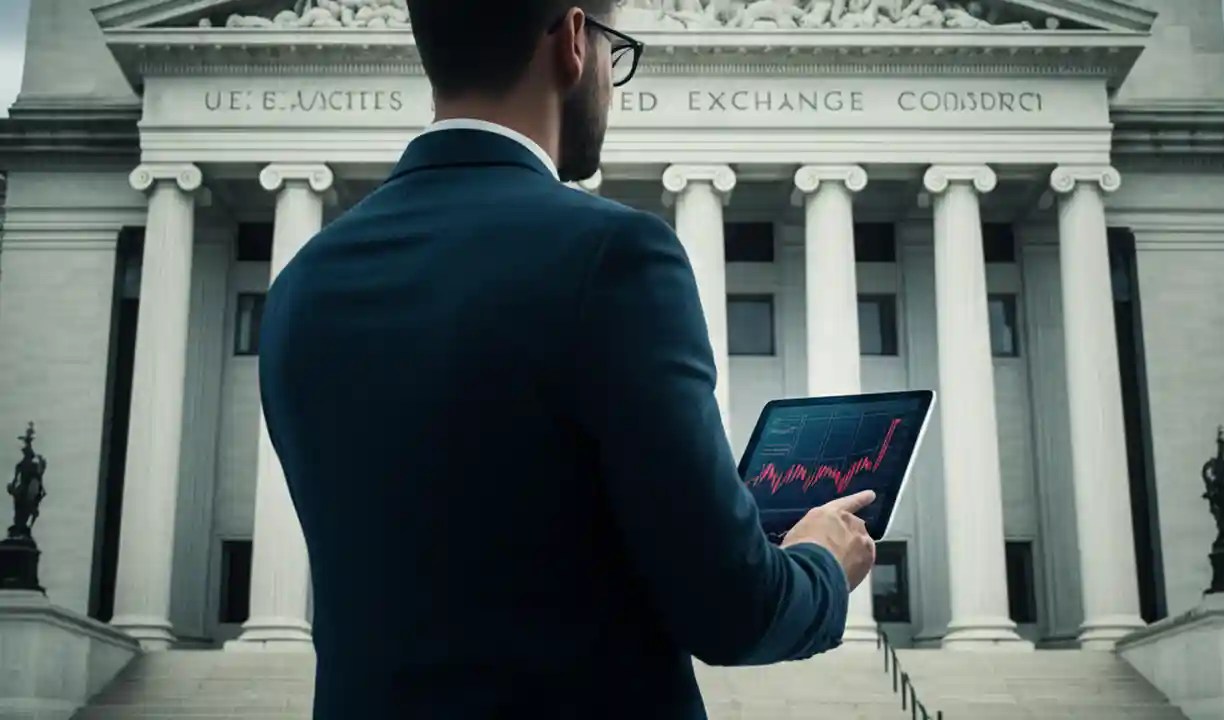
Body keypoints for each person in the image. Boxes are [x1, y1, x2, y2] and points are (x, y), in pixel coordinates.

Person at [257, 1, 878, 717]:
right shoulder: (615, 256)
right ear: (574, 39)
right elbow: (734, 610)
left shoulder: (302, 281)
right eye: (618, 53)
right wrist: (823, 562)